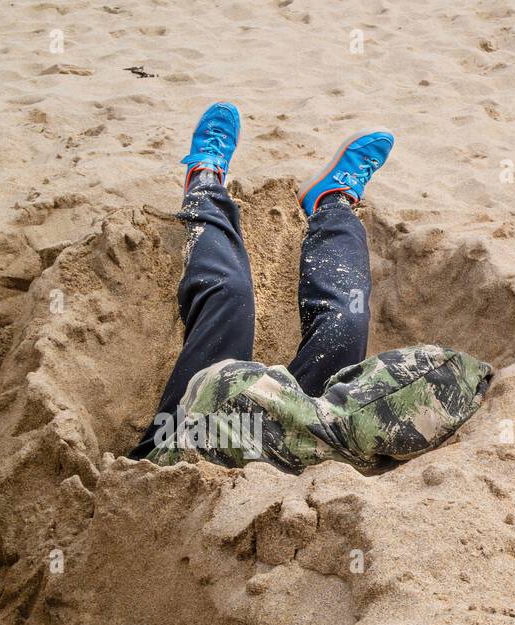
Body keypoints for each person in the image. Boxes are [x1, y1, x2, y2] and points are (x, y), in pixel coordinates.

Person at [132, 103, 493, 473]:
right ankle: (330, 201)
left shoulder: (336, 459)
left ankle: (204, 185)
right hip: (286, 417)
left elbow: (216, 386)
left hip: (178, 447)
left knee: (228, 292)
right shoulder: (336, 419)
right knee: (347, 321)